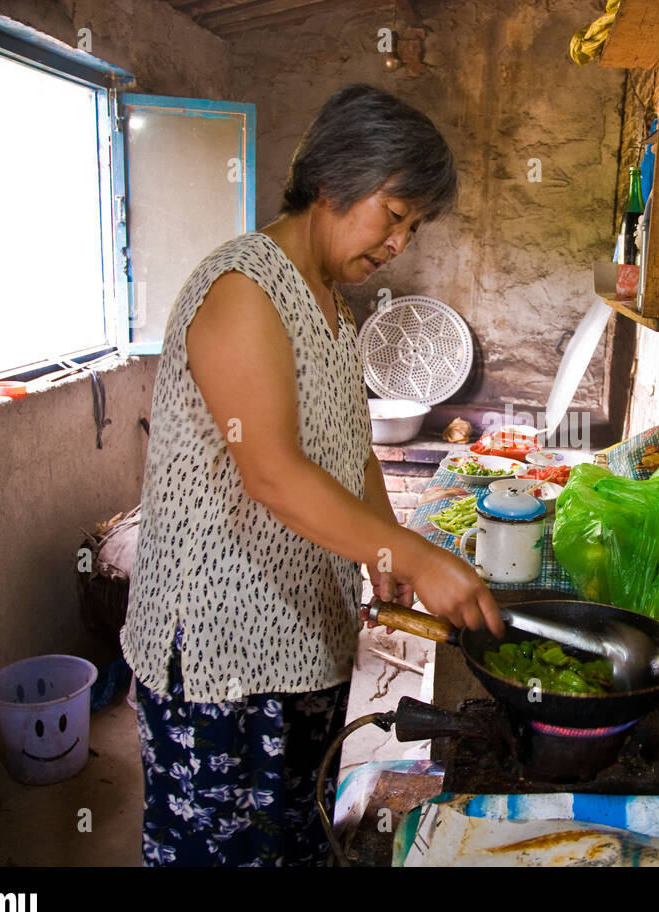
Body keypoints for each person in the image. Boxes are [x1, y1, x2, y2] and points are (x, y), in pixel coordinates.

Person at [121, 84, 503, 867]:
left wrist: (382, 547)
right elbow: (273, 473)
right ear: (334, 181)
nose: (399, 244)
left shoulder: (334, 309)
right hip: (221, 662)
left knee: (296, 844)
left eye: (413, 227)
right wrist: (421, 559)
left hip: (302, 642)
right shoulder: (242, 290)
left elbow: (350, 449)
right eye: (393, 216)